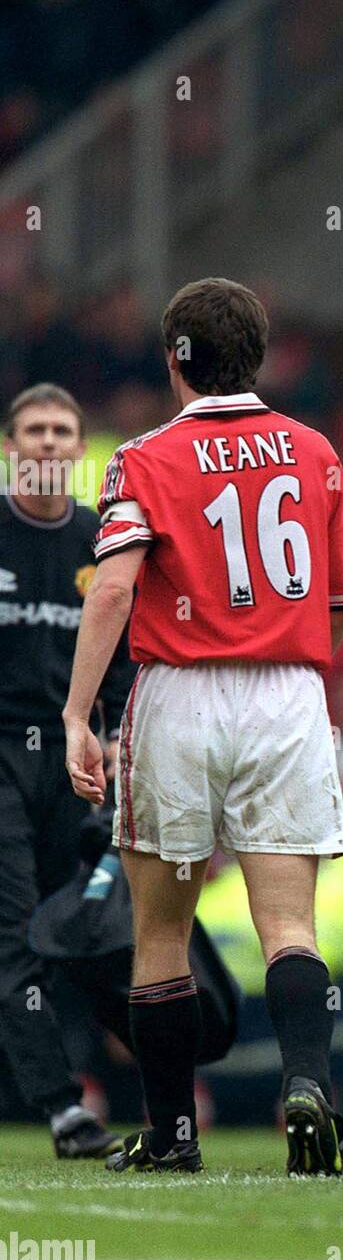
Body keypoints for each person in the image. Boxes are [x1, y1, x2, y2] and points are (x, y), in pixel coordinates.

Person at [62, 277, 343, 1175]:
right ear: (258, 357)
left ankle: (172, 1134)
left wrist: (80, 714)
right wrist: (279, 649)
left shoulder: (142, 457)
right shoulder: (313, 449)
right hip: (285, 695)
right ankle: (307, 1085)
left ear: (175, 360)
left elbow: (116, 585)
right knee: (289, 925)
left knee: (162, 930)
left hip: (180, 695)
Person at [0, 383, 132, 1158]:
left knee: (77, 933)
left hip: (77, 761)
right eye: (34, 431)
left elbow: (125, 653)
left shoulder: (101, 544)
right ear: (13, 448)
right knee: (16, 930)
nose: (48, 443)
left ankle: (111, 1088)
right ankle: (61, 1106)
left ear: (79, 451)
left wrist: (115, 736)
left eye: (62, 432)